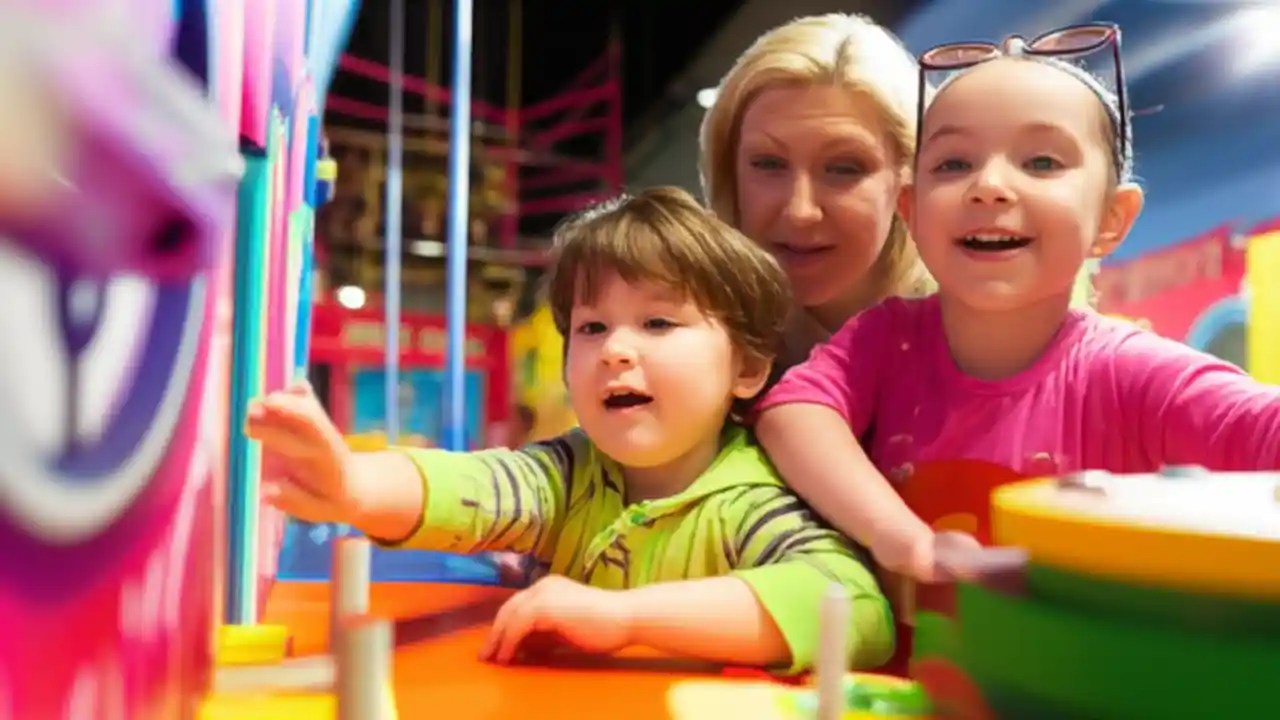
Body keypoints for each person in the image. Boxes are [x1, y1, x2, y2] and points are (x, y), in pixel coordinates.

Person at [752, 26, 1280, 661]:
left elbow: (1260, 429)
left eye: (1042, 162)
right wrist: (906, 542)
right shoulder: (885, 340)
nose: (990, 186)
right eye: (954, 163)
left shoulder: (1135, 375)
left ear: (1111, 219)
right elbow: (791, 413)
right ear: (913, 211)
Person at [247, 186, 894, 674]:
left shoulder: (753, 502)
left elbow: (854, 606)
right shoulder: (567, 475)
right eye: (591, 327)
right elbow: (472, 483)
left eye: (658, 323)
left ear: (748, 367)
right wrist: (352, 482)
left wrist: (624, 617)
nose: (615, 349)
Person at [699, 13, 934, 370]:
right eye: (768, 164)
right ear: (728, 172)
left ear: (911, 177)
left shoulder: (997, 343)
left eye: (844, 169)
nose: (800, 210)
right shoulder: (689, 362)